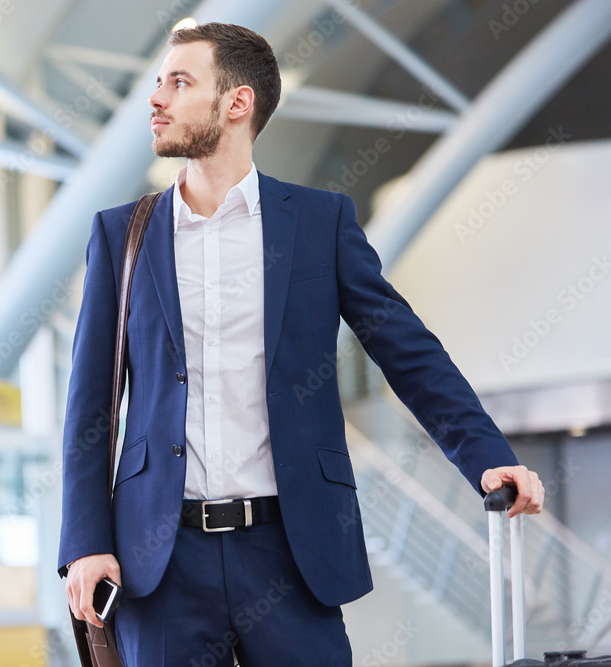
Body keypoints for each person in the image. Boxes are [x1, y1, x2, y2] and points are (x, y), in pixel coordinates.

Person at [58, 22, 545, 666]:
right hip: (161, 561)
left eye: (180, 83)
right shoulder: (122, 235)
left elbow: (407, 351)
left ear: (237, 103)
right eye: (158, 83)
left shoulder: (320, 223)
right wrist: (86, 539)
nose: (157, 99)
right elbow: (90, 403)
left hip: (291, 554)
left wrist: (487, 455)